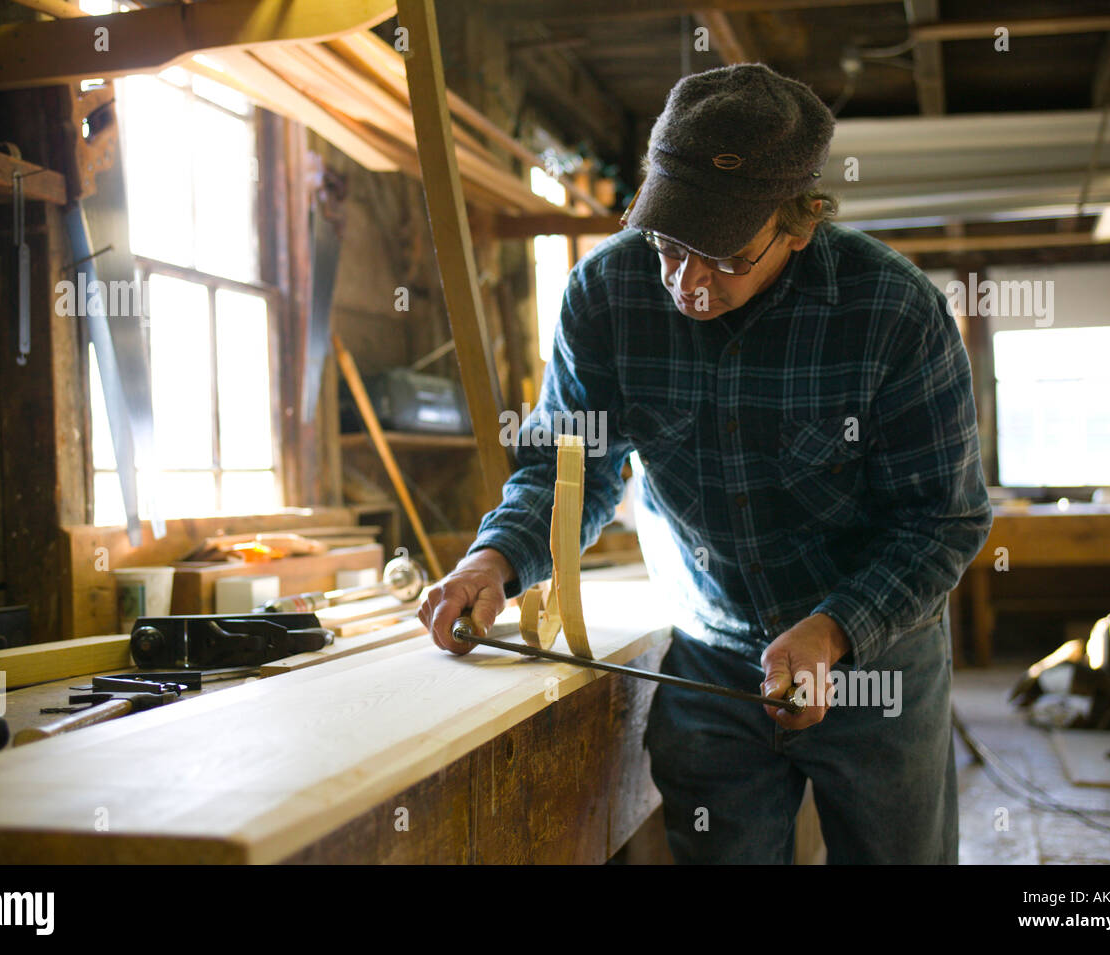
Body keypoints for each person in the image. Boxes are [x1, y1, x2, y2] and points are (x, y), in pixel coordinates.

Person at [418, 63, 993, 864]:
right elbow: (566, 467)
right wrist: (496, 557)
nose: (687, 284)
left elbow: (944, 519)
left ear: (798, 225)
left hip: (870, 660)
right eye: (668, 246)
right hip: (712, 658)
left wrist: (831, 634)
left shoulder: (891, 310)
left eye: (725, 256)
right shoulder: (608, 294)